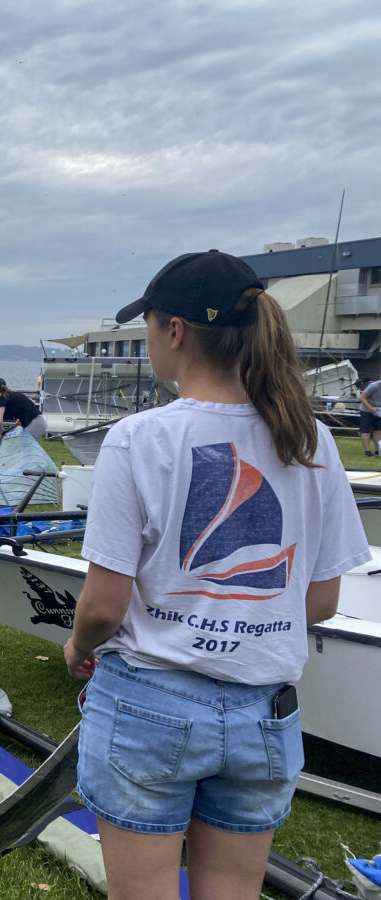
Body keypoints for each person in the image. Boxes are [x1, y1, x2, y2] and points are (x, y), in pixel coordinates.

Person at [63, 250, 370, 899]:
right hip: (265, 720)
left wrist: (77, 647)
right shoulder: (311, 440)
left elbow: (103, 607)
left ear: (174, 331)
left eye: (148, 327)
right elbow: (319, 601)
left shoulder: (137, 440)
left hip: (149, 708)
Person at [357, 377, 381, 457]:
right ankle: (367, 451)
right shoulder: (374, 385)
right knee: (365, 430)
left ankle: (378, 450)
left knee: (378, 430)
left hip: (378, 410)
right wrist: (371, 409)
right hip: (366, 410)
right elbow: (361, 397)